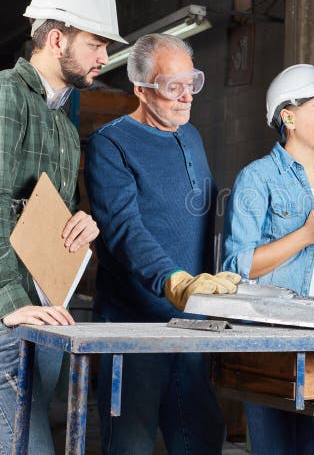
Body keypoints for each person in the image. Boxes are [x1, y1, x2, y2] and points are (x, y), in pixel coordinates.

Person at [0, 0, 125, 454]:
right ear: (55, 38)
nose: (105, 58)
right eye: (96, 44)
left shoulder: (63, 127)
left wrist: (79, 225)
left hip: (42, 314)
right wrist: (9, 303)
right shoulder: (2, 97)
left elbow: (43, 224)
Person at [84, 33, 240, 454]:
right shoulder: (110, 144)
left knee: (203, 439)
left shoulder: (191, 137)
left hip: (190, 325)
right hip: (133, 329)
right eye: (173, 87)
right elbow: (122, 229)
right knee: (130, 444)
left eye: (192, 83)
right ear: (142, 90)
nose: (186, 97)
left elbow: (201, 222)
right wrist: (173, 280)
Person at [222, 63, 314, 455]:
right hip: (273, 339)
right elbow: (237, 266)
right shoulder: (258, 178)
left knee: (313, 447)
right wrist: (305, 236)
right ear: (288, 116)